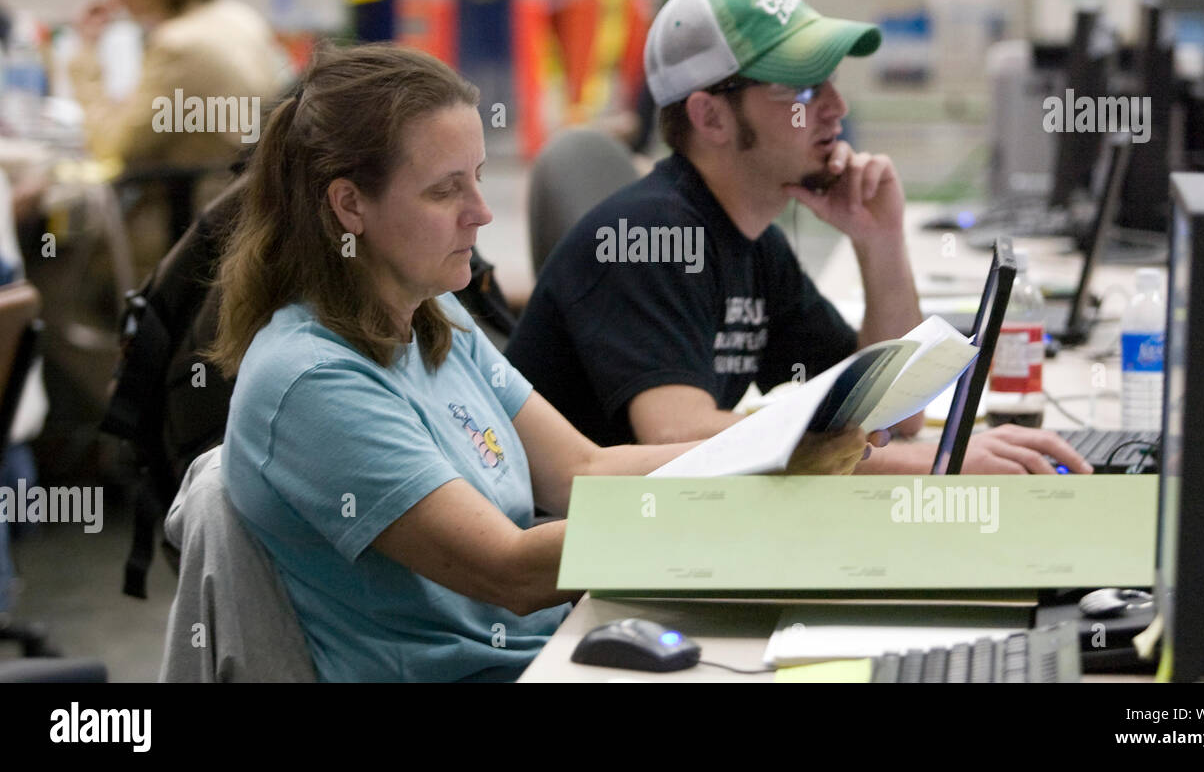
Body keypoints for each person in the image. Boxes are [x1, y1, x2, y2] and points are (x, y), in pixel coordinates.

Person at [210, 44, 874, 682]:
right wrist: (745, 496)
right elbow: (511, 571)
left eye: (476, 176)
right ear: (349, 203)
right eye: (445, 191)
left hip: (549, 648)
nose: (482, 211)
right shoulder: (311, 382)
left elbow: (586, 468)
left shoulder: (434, 316)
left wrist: (780, 446)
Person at [507, 0, 1090, 475]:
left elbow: (895, 414)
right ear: (710, 116)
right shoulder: (649, 237)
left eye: (830, 81)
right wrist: (929, 463)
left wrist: (878, 241)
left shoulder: (753, 241)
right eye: (801, 88)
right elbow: (676, 436)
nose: (836, 106)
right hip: (584, 576)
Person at [69, 0, 286, 271]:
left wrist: (86, 58)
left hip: (190, 224)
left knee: (54, 252)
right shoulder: (237, 17)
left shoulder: (178, 43)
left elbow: (110, 147)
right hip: (248, 214)